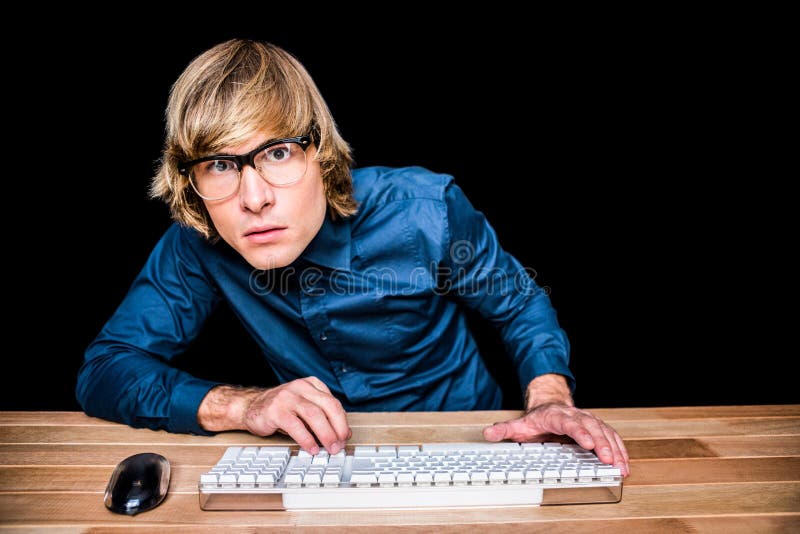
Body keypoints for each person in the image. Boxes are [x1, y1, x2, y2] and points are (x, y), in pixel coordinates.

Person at [77, 39, 629, 475]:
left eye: (278, 152)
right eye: (219, 165)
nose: (254, 197)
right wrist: (242, 407)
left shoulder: (424, 209)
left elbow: (519, 303)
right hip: (322, 466)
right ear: (191, 180)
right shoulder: (197, 243)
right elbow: (106, 368)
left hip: (469, 444)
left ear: (320, 152)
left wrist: (548, 398)